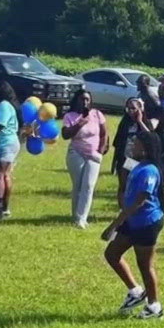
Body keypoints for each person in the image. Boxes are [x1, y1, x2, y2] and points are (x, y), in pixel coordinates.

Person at [103, 129, 164, 319]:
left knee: (145, 265)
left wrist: (114, 225)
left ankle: (155, 307)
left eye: (136, 142)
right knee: (112, 254)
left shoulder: (149, 170)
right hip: (133, 220)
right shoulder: (138, 165)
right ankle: (136, 292)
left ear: (146, 148)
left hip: (147, 222)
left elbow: (139, 202)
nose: (132, 145)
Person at [61, 90, 108, 229]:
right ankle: (76, 215)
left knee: (88, 185)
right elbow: (65, 135)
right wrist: (80, 124)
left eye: (87, 99)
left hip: (93, 155)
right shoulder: (70, 116)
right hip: (76, 153)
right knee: (78, 185)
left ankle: (82, 218)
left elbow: (104, 134)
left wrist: (100, 150)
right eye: (82, 99)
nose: (85, 102)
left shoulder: (97, 114)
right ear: (76, 100)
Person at [111, 97, 148, 199]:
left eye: (134, 108)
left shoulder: (144, 123)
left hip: (140, 161)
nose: (131, 111)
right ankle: (124, 210)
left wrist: (140, 121)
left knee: (137, 187)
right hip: (125, 159)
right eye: (129, 108)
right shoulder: (124, 123)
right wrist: (115, 163)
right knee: (123, 186)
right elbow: (117, 143)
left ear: (140, 109)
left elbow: (150, 138)